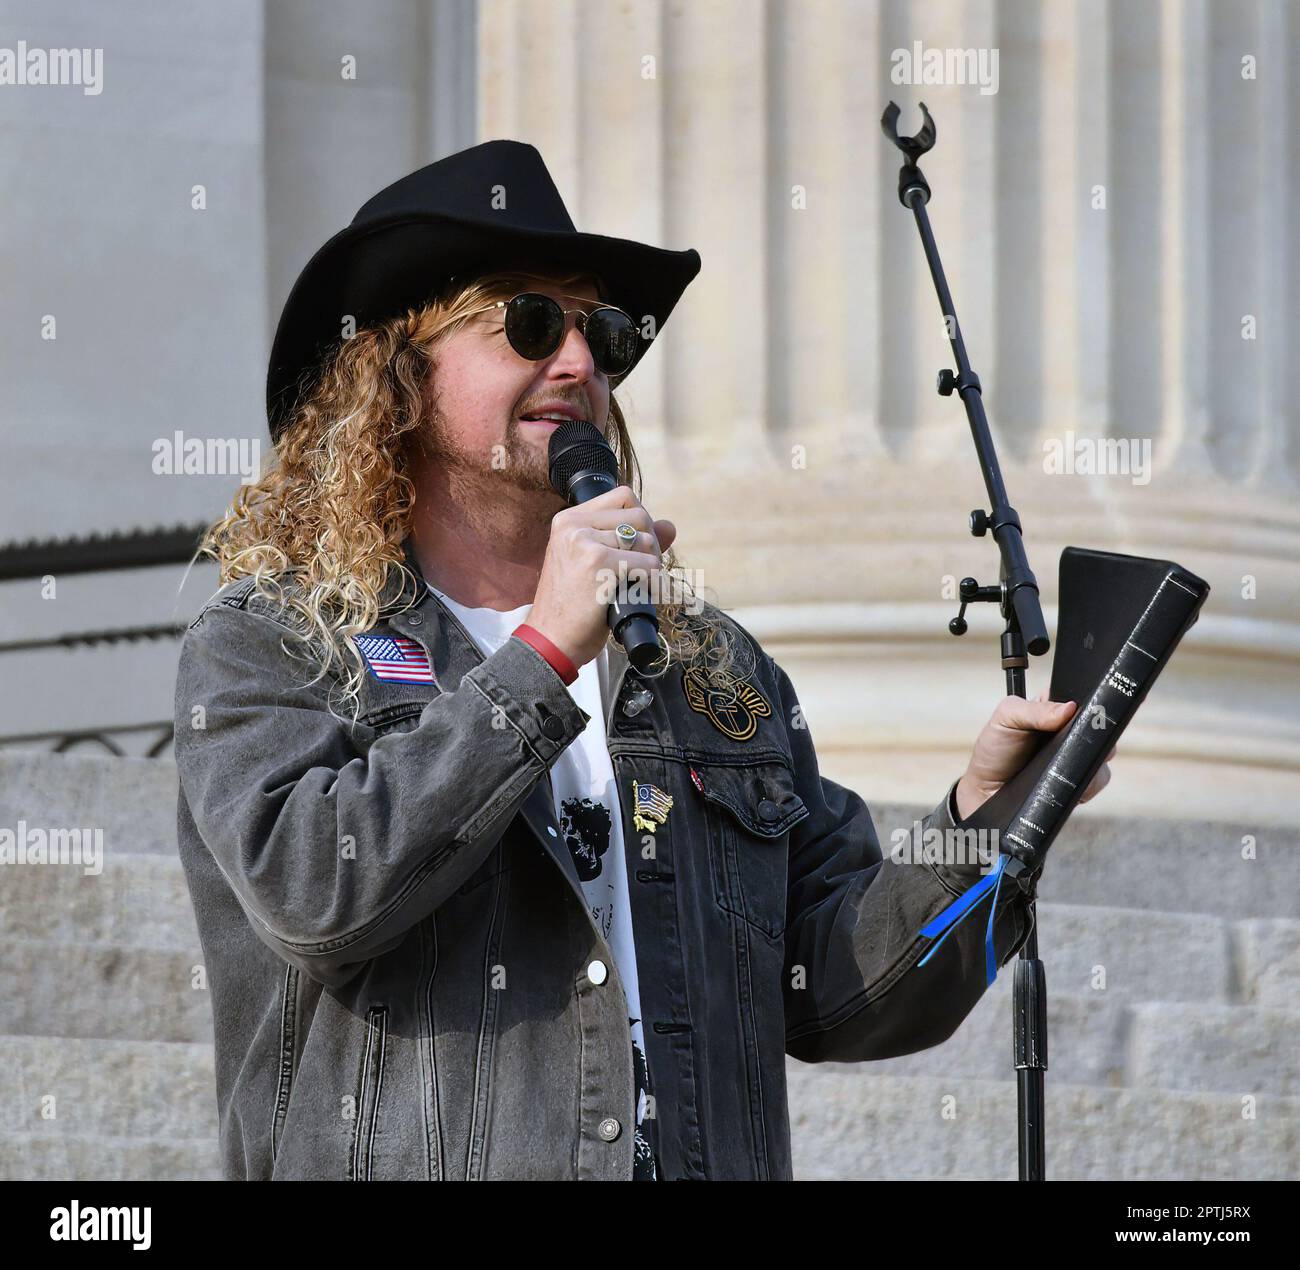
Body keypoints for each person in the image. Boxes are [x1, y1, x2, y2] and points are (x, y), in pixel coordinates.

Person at [174, 140, 1112, 1181]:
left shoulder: (709, 666)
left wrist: (986, 819)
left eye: (603, 332)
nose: (580, 363)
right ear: (396, 369)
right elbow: (315, 895)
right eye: (531, 322)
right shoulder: (275, 640)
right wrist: (539, 656)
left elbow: (837, 994)